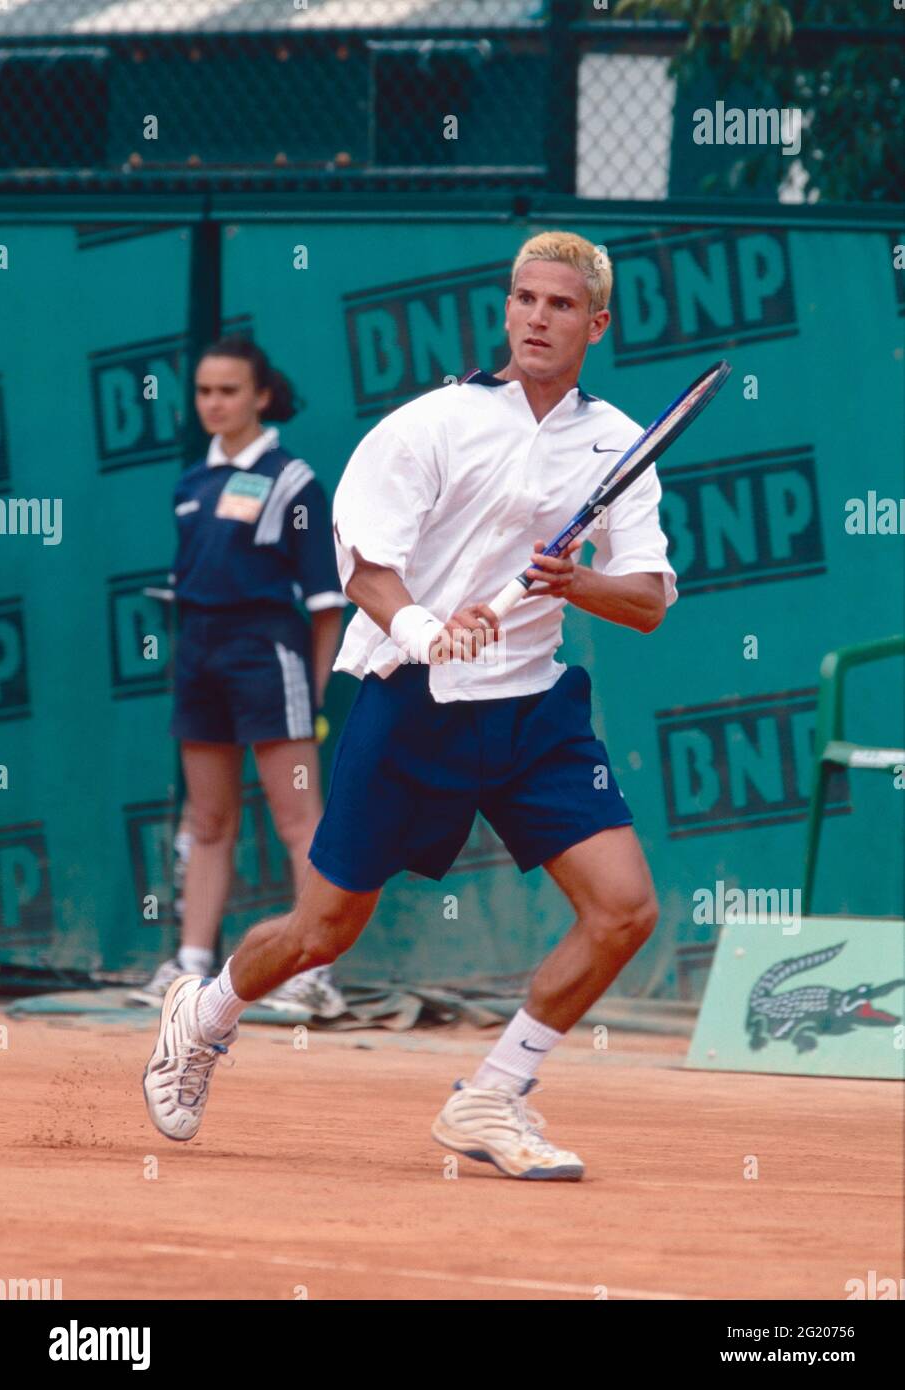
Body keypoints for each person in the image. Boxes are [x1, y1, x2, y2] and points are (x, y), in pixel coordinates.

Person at [143, 232, 676, 1179]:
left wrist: (571, 584)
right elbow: (366, 566)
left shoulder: (617, 445)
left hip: (533, 708)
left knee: (625, 908)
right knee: (324, 929)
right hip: (413, 699)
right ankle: (207, 1009)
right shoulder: (432, 424)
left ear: (596, 323)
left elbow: (647, 600)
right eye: (525, 300)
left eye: (561, 306)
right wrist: (427, 630)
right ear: (506, 310)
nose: (538, 319)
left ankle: (490, 1097)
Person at [130, 336, 347, 1018]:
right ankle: (191, 966)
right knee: (209, 819)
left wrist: (311, 697)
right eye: (203, 392)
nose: (214, 403)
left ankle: (316, 972)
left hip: (268, 657)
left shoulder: (294, 480)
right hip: (199, 656)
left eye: (228, 391)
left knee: (297, 820)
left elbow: (325, 606)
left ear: (260, 396)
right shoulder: (189, 484)